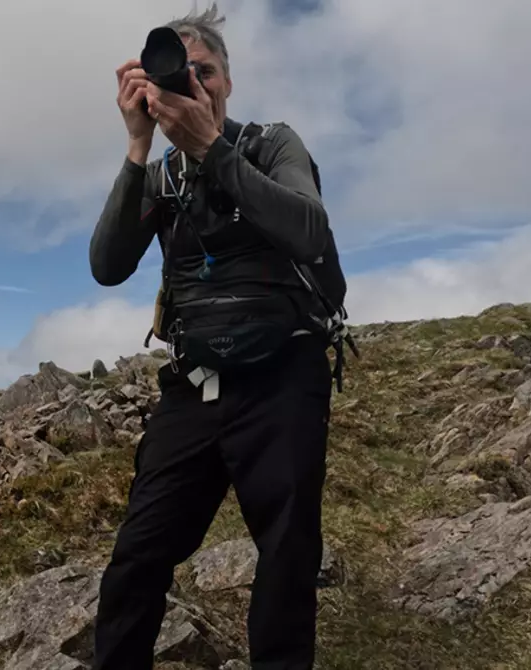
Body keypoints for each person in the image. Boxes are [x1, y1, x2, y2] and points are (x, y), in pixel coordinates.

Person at [88, 4, 343, 670]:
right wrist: (138, 146)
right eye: (177, 75)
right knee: (138, 553)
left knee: (287, 555)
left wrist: (212, 149)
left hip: (284, 373)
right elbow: (107, 267)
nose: (192, 85)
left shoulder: (271, 145)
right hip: (194, 385)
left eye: (203, 71)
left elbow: (309, 232)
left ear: (227, 80)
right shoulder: (162, 175)